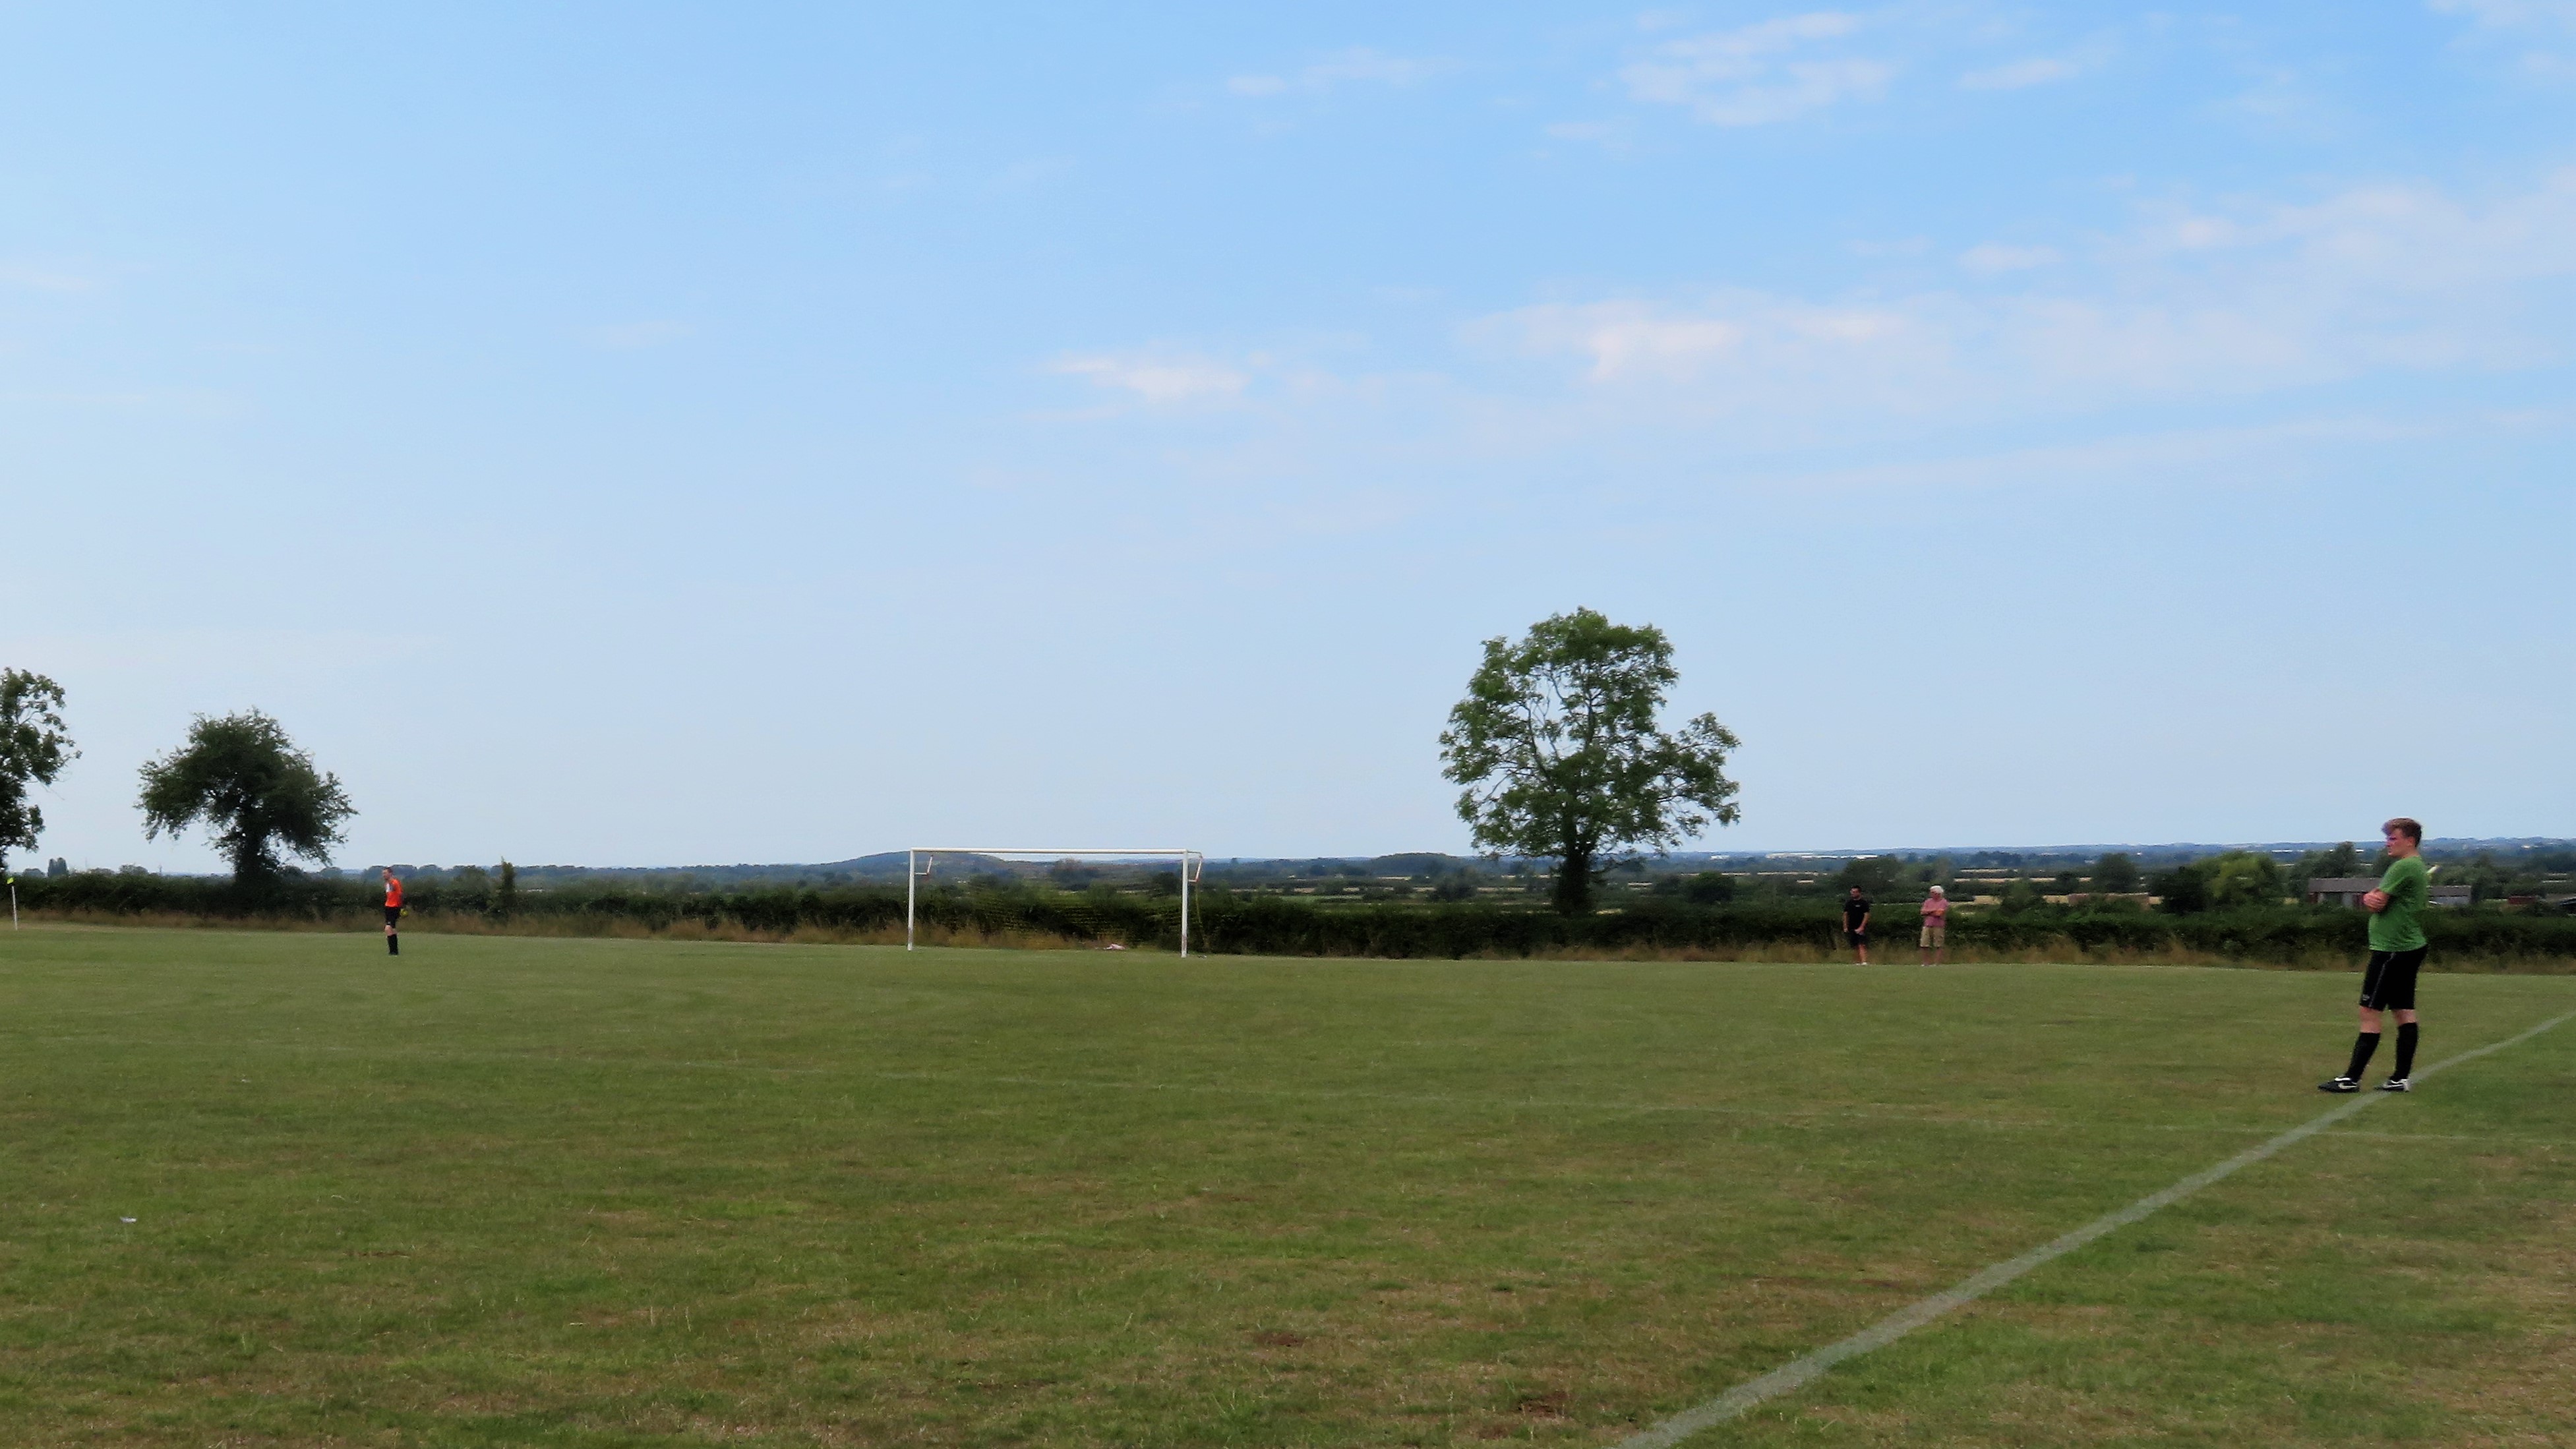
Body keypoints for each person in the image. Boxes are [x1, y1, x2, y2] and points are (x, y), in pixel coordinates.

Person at [2320, 817, 2431, 1094]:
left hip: (2392, 950)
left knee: (2369, 1011)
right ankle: (2400, 1078)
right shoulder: (2413, 866)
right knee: (2404, 1011)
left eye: (2393, 839)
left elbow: (2376, 901)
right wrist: (2373, 898)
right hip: (2406, 947)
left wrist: (2372, 898)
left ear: (2410, 840)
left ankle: (2351, 1079)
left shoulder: (2404, 866)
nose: (2388, 844)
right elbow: (2375, 898)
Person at [1919, 885, 1949, 966]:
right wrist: (1933, 911)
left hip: (1938, 926)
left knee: (1938, 945)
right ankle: (1926, 963)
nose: (1931, 894)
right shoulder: (1928, 901)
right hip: (1927, 925)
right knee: (1924, 944)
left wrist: (1928, 912)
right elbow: (1922, 912)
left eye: (1933, 893)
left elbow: (1939, 913)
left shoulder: (1944, 902)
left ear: (1938, 894)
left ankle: (1937, 963)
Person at [1842, 886, 1872, 964]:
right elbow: (1845, 915)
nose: (1853, 894)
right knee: (1855, 945)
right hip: (1852, 926)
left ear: (1859, 893)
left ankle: (1864, 961)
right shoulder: (1849, 903)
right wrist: (1845, 926)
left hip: (1861, 927)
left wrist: (1862, 927)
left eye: (1855, 892)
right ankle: (1857, 961)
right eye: (1852, 892)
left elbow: (1866, 915)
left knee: (1861, 944)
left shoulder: (1864, 903)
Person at [382, 866, 404, 957]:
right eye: (383, 874)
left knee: (388, 928)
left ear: (390, 874)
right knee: (393, 929)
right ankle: (395, 950)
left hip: (394, 907)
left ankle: (393, 951)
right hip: (388, 907)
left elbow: (400, 895)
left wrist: (401, 907)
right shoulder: (387, 884)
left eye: (385, 873)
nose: (383, 875)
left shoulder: (395, 883)